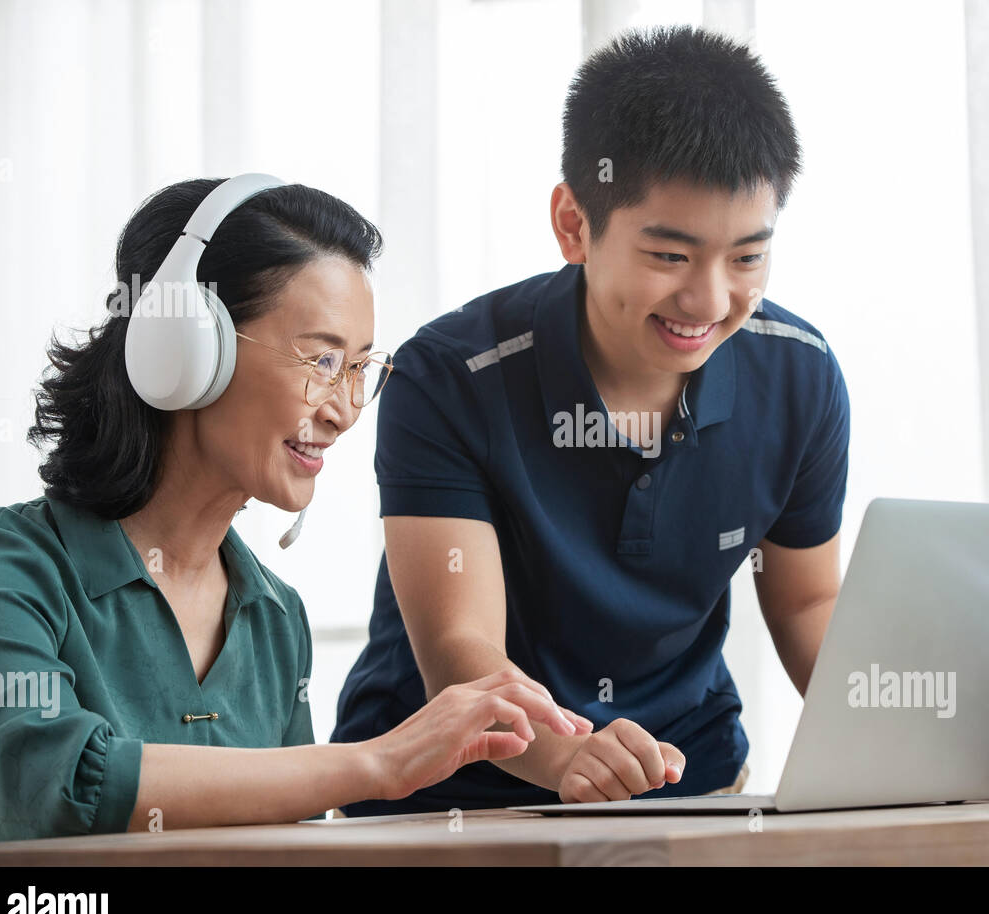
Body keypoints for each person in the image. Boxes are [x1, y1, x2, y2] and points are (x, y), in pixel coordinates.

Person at [0, 177, 590, 844]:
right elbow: (59, 792)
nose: (344, 411)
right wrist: (375, 761)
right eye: (321, 360)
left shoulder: (274, 617)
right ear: (186, 346)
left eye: (359, 370)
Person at [332, 25, 849, 815]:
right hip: (448, 802)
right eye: (670, 256)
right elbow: (459, 649)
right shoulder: (449, 376)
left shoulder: (801, 375)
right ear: (574, 224)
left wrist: (919, 732)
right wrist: (569, 755)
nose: (710, 301)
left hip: (689, 780)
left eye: (747, 258)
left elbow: (808, 603)